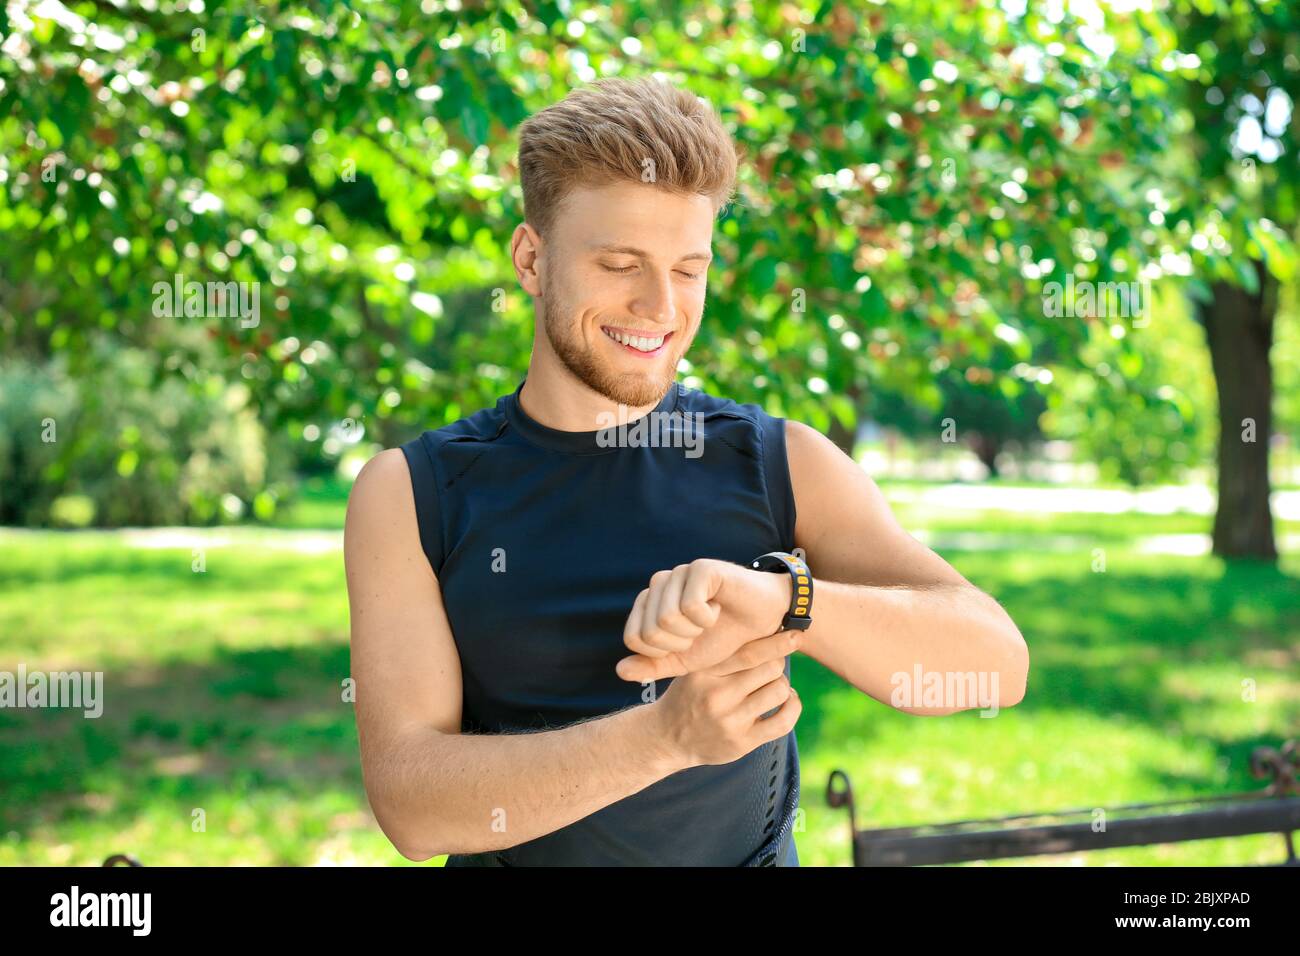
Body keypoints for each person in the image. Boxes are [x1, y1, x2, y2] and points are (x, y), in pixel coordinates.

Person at [343, 75, 1029, 866]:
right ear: (532, 260)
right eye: (620, 263)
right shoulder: (411, 493)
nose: (660, 307)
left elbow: (994, 666)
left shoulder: (778, 461)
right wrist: (665, 738)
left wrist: (785, 602)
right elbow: (413, 807)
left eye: (688, 268)